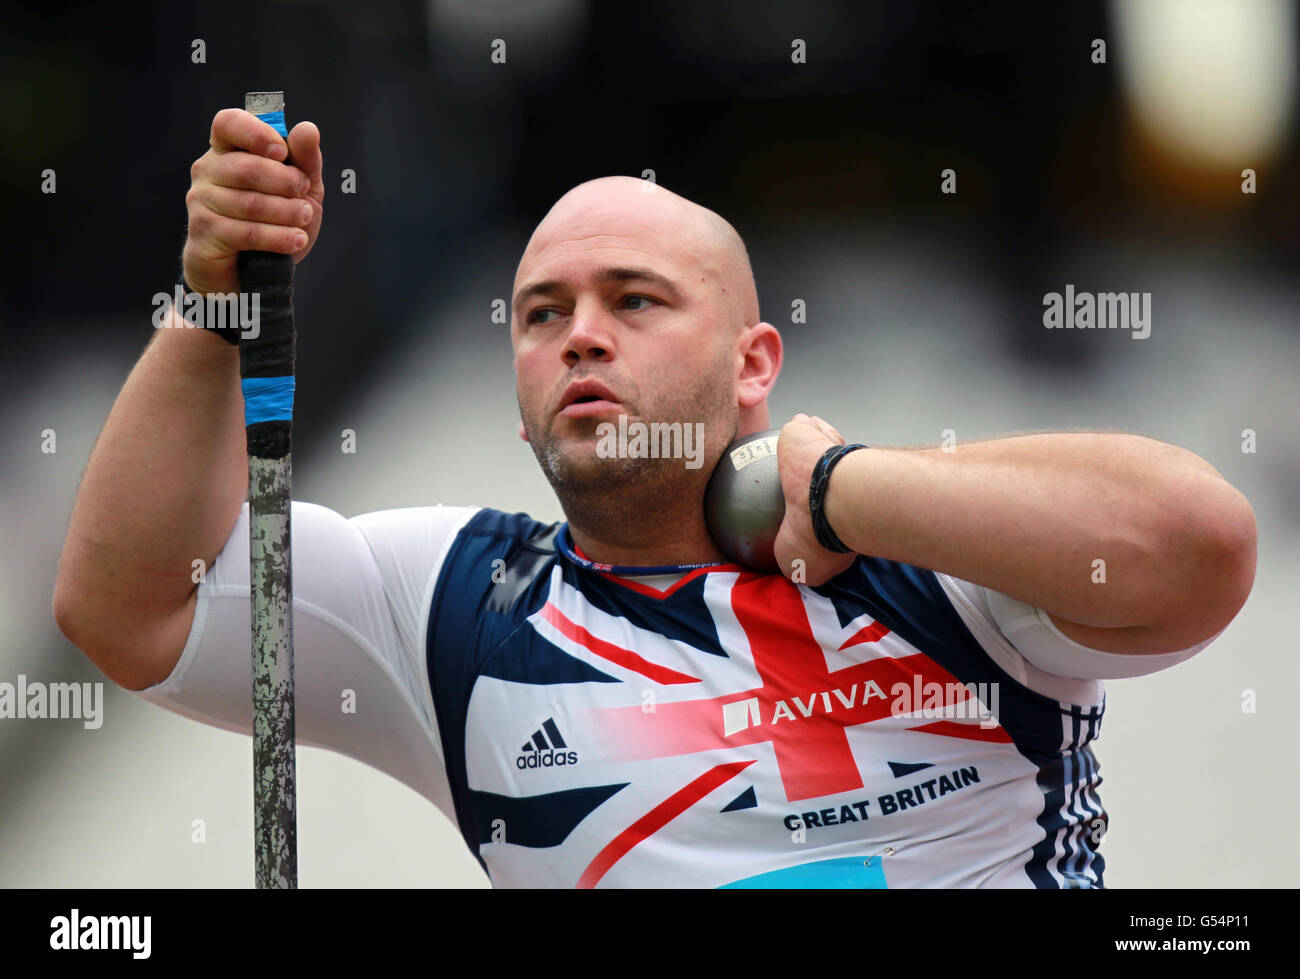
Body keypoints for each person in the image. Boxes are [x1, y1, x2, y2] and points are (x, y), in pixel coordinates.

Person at [53, 108, 1257, 888]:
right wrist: (213, 302)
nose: (580, 335)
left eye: (634, 300)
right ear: (518, 393)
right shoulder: (448, 607)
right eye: (542, 314)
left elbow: (1199, 545)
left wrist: (842, 489)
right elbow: (130, 607)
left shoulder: (941, 550)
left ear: (752, 365)